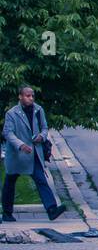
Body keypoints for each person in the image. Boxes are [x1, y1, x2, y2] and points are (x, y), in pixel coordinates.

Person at [2, 86, 67, 222]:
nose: (30, 98)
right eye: (27, 95)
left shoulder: (38, 110)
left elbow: (44, 127)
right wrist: (21, 145)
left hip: (34, 153)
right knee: (10, 181)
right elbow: (8, 133)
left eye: (32, 96)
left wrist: (42, 137)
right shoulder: (12, 113)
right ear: (20, 97)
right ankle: (7, 213)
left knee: (41, 179)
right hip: (17, 155)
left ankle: (51, 209)